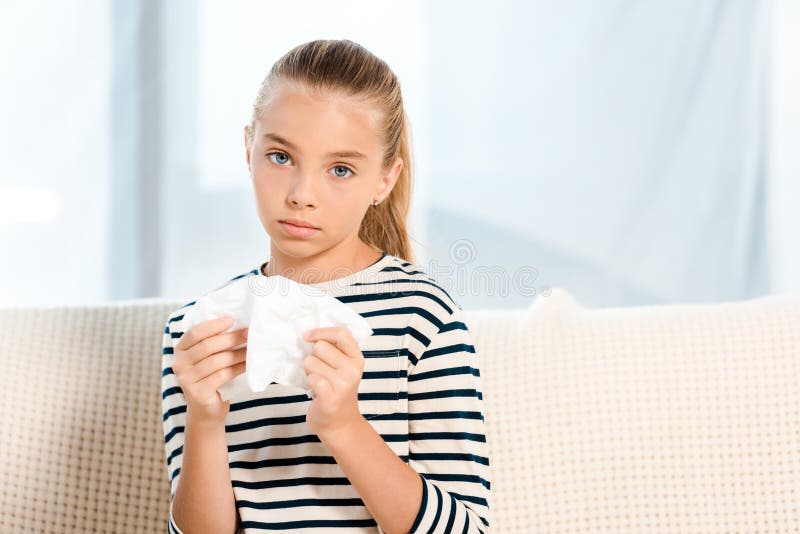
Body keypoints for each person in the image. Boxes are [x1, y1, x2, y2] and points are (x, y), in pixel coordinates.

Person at [160, 39, 491, 534]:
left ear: (383, 179)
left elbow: (469, 529)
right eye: (280, 156)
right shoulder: (200, 331)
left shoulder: (424, 317)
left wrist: (343, 425)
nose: (301, 195)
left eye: (340, 169)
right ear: (248, 149)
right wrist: (204, 421)